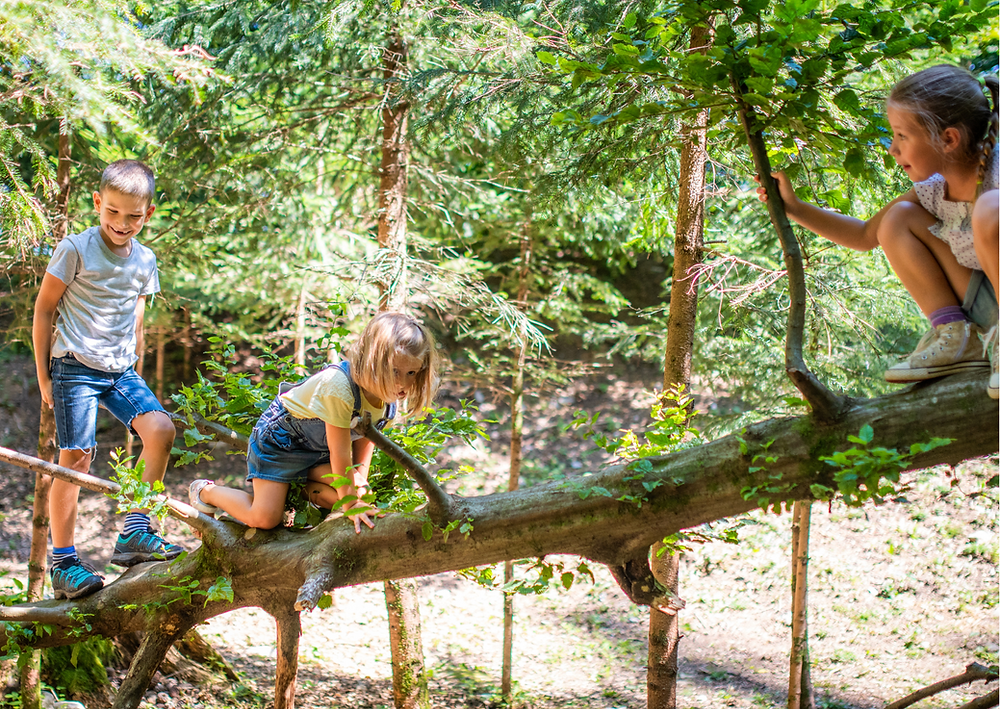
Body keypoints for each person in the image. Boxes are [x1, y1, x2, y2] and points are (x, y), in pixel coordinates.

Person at [757, 65, 999, 398]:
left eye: (903, 136)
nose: (892, 148)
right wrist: (794, 207)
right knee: (897, 219)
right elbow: (865, 235)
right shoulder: (933, 190)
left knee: (990, 209)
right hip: (988, 312)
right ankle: (958, 337)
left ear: (948, 139)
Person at [33, 159, 183, 600]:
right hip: (73, 366)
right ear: (98, 203)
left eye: (133, 216)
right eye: (113, 211)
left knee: (160, 430)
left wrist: (134, 351)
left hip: (119, 370)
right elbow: (44, 310)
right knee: (76, 459)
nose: (122, 223)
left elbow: (136, 305)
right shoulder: (75, 249)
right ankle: (63, 563)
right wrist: (44, 375)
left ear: (148, 214)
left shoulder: (145, 259)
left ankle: (135, 531)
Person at [188, 311, 439, 532]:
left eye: (411, 373)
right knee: (264, 518)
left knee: (361, 492)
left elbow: (363, 443)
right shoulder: (339, 386)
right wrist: (351, 505)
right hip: (281, 444)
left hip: (318, 455)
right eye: (395, 371)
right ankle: (204, 491)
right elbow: (341, 455)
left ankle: (296, 485)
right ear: (373, 361)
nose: (404, 384)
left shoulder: (387, 398)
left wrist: (361, 494)